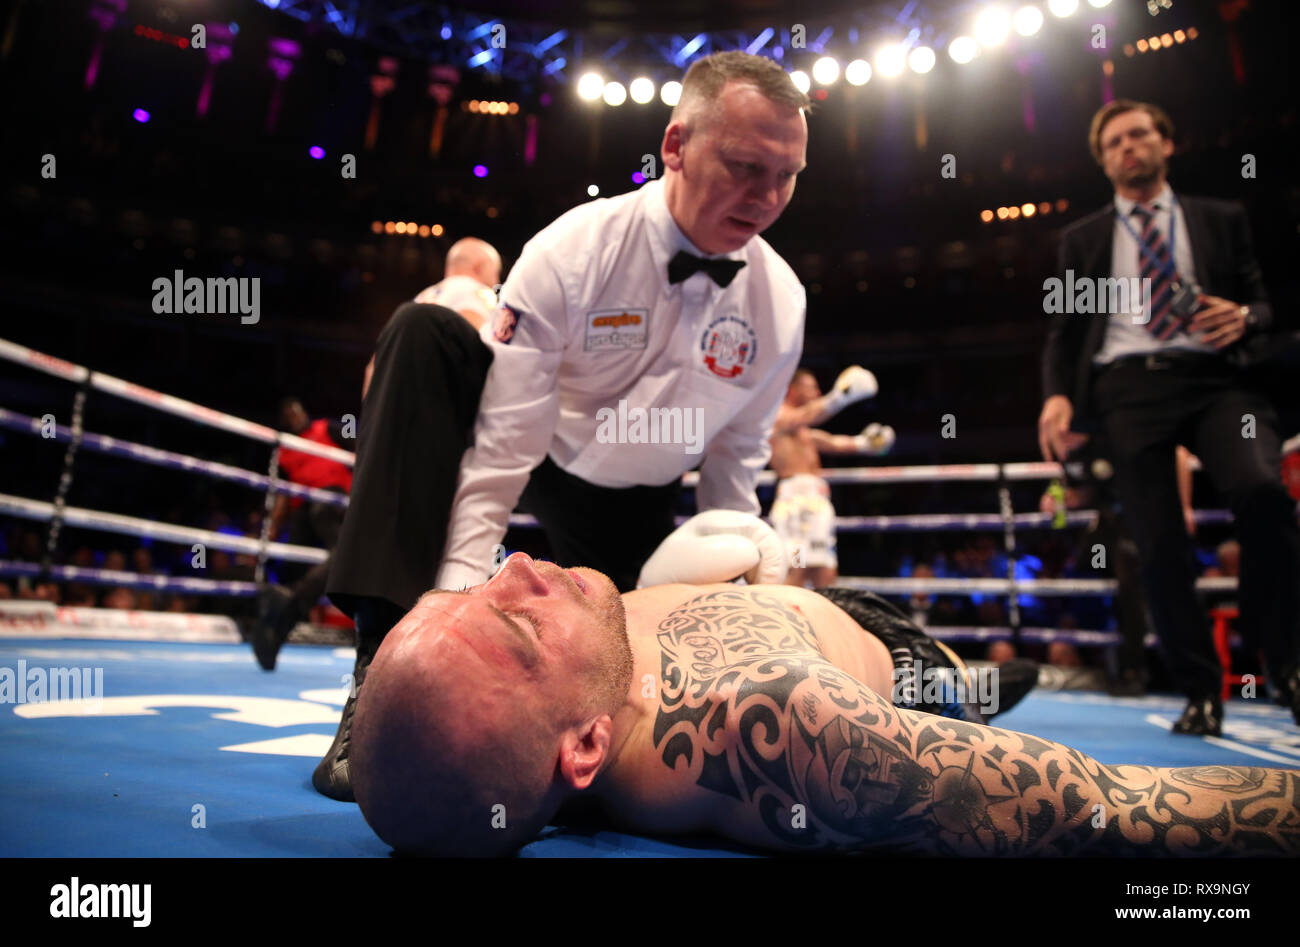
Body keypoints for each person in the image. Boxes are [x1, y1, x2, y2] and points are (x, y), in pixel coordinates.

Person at [319, 50, 811, 801]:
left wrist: (731, 621)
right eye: (746, 165)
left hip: (638, 497)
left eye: (787, 174)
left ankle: (921, 673)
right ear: (674, 146)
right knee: (422, 336)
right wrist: (448, 600)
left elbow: (734, 467)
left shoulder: (782, 301)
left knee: (652, 700)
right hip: (538, 440)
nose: (767, 195)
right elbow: (501, 447)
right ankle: (377, 673)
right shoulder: (571, 251)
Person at [349, 512, 1300, 857]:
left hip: (770, 589)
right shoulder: (779, 724)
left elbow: (398, 750)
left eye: (478, 587)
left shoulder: (494, 710)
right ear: (587, 746)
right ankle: (982, 684)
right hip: (889, 655)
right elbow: (1122, 809)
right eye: (517, 618)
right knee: (973, 690)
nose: (515, 564)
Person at [1038, 99, 1300, 735]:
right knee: (1157, 543)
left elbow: (1268, 302)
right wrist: (1056, 395)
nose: (1128, 148)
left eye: (1138, 135)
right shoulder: (1085, 238)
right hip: (1129, 390)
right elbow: (1066, 333)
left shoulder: (1222, 219)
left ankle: (1285, 663)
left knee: (1262, 491)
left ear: (1166, 142)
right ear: (1103, 162)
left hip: (1218, 381)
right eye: (1114, 143)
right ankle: (1200, 692)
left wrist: (1246, 316)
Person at [248, 397, 352, 671]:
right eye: (289, 413)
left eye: (297, 409)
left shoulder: (325, 428)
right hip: (305, 511)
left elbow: (361, 440)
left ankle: (282, 615)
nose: (295, 415)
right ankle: (282, 602)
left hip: (333, 500)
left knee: (345, 555)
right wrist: (270, 531)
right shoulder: (286, 452)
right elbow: (282, 496)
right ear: (284, 421)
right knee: (334, 557)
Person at [768, 366, 895, 588]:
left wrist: (864, 443)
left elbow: (832, 442)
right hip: (795, 506)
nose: (817, 393)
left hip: (817, 503)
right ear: (791, 390)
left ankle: (823, 621)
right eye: (812, 387)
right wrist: (840, 396)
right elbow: (809, 415)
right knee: (797, 567)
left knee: (826, 571)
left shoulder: (801, 430)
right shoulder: (777, 416)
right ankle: (791, 620)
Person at [360, 237, 501, 399]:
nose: (496, 281)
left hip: (397, 409)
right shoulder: (479, 293)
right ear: (479, 267)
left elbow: (375, 366)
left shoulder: (420, 298)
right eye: (496, 272)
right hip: (438, 411)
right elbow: (482, 352)